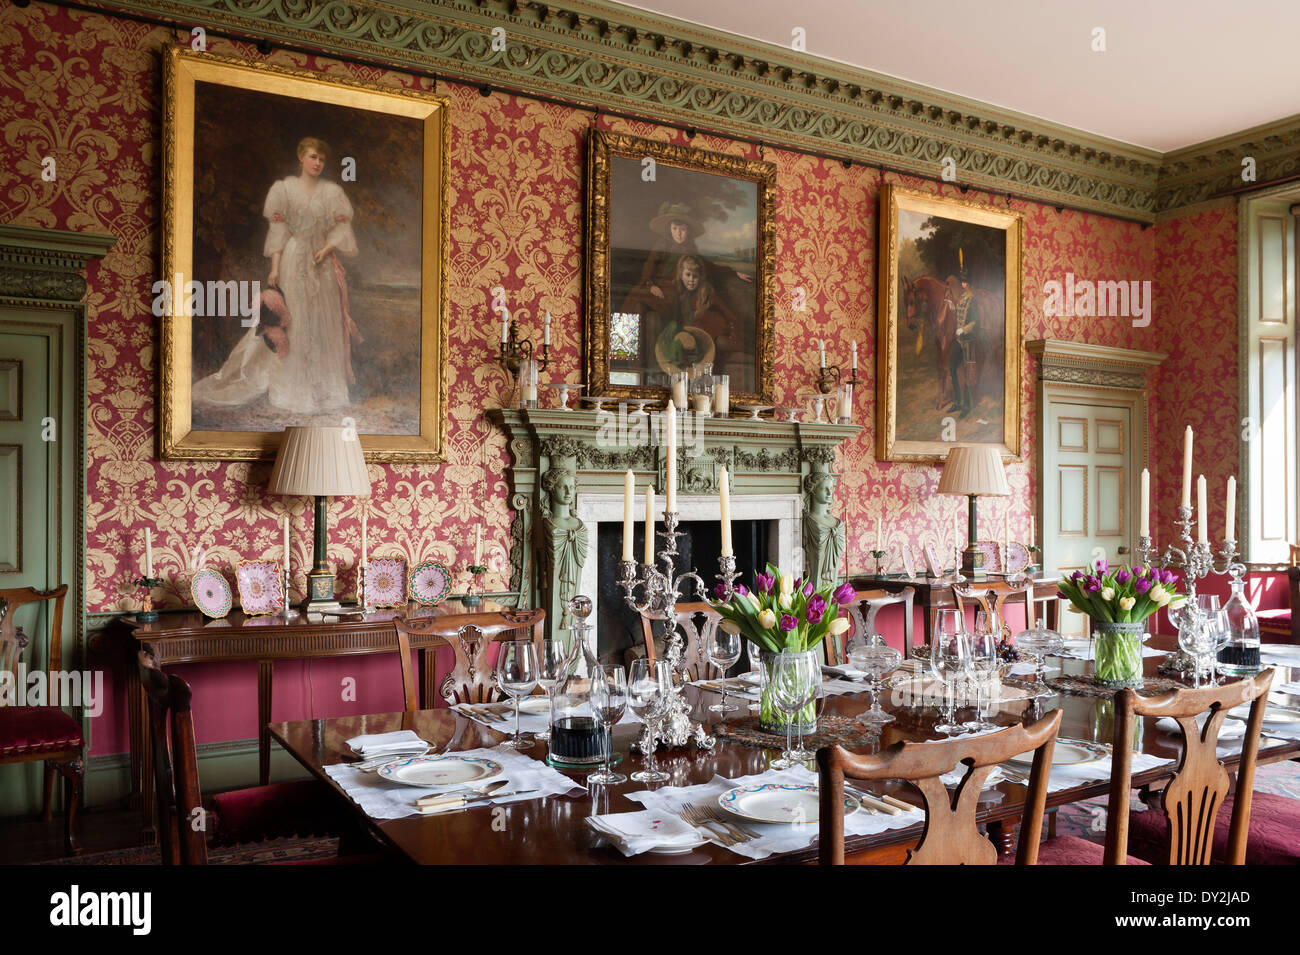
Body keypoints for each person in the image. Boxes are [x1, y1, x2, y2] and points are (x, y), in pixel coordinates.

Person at [192, 136, 362, 415]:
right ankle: (293, 390)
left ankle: (324, 390)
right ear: (300, 158)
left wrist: (327, 248)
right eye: (312, 157)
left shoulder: (332, 192)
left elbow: (342, 230)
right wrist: (274, 267)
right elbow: (279, 232)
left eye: (321, 159)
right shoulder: (284, 190)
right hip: (293, 259)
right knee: (294, 320)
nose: (317, 163)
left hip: (322, 262)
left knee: (322, 320)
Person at [944, 251, 981, 418]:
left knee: (967, 374)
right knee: (952, 368)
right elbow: (958, 313)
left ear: (969, 283)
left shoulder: (972, 299)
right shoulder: (962, 298)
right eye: (963, 282)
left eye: (965, 282)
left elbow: (974, 322)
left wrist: (963, 329)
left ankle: (966, 406)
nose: (963, 284)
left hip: (968, 340)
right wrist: (952, 306)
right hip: (958, 340)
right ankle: (957, 402)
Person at [802, 469, 845, 590]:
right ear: (813, 490)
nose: (829, 492)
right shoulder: (809, 521)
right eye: (824, 488)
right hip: (814, 577)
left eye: (831, 489)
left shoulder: (837, 523)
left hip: (832, 578)